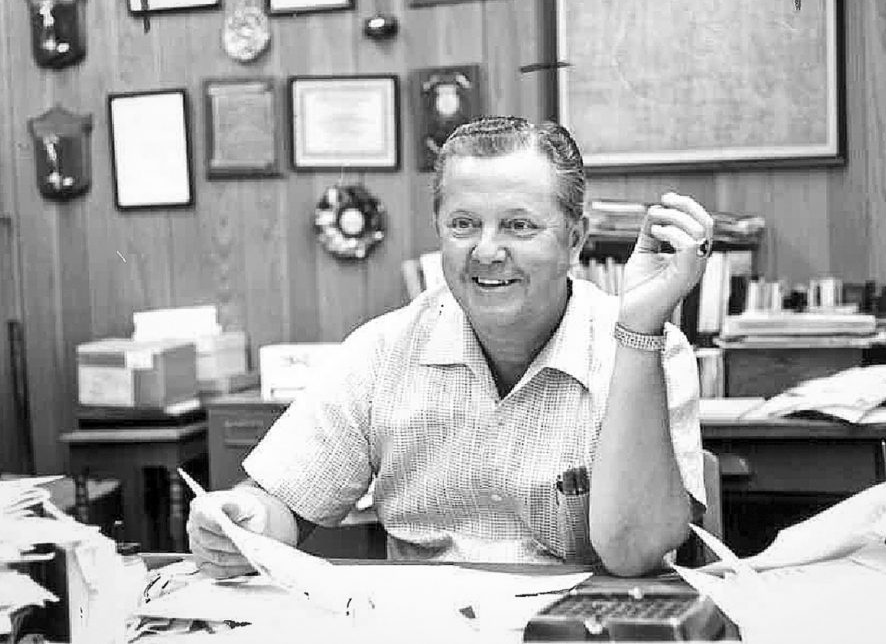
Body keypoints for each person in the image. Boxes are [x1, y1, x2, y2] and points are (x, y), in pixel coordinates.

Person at [187, 116, 714, 577]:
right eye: (464, 225)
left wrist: (640, 328)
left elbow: (635, 552)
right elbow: (284, 503)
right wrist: (245, 522)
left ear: (574, 240)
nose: (486, 250)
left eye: (518, 226)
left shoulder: (651, 350)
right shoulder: (381, 351)